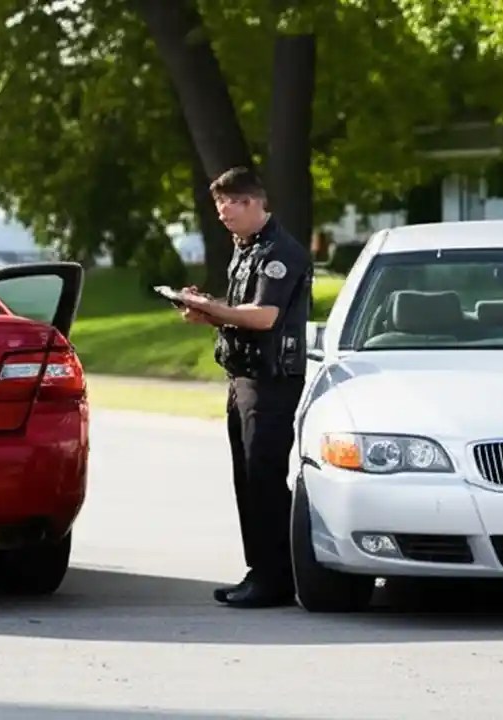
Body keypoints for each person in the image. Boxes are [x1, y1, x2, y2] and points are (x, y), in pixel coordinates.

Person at [176, 166, 314, 608]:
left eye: (228, 207)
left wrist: (214, 308)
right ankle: (261, 571)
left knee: (265, 479)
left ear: (252, 202)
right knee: (248, 479)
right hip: (243, 376)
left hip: (270, 381)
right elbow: (243, 312)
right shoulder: (247, 247)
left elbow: (264, 316)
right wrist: (208, 312)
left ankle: (276, 578)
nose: (221, 215)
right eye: (219, 206)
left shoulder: (280, 252)